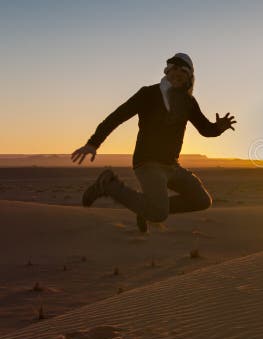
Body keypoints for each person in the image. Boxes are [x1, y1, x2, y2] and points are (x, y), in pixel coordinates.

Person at [71, 53, 236, 232]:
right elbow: (117, 116)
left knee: (202, 200)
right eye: (175, 69)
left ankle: (145, 209)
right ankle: (108, 185)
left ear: (189, 76)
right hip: (148, 163)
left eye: (184, 71)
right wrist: (93, 143)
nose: (178, 74)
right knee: (159, 214)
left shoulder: (188, 101)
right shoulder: (148, 94)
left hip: (172, 166)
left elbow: (205, 129)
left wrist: (218, 128)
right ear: (168, 71)